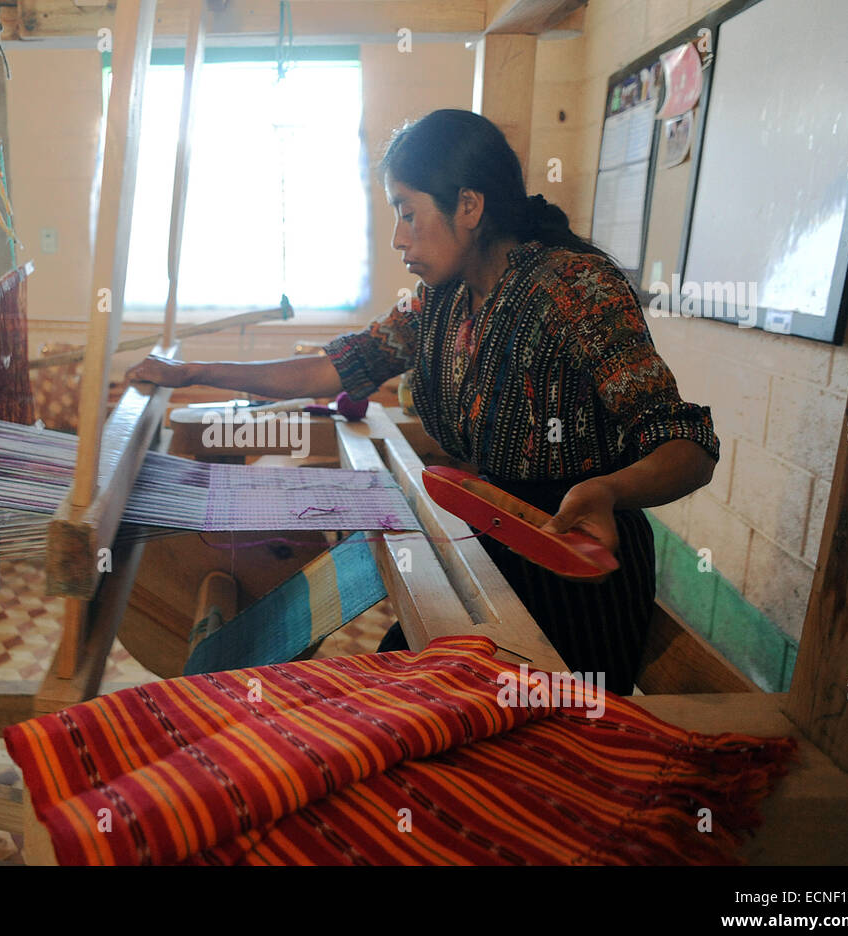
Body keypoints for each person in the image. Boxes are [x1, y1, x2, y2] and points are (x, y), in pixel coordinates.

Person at [126, 109, 719, 694]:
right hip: (489, 553)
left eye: (408, 213)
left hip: (572, 574)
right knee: (385, 700)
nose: (398, 237)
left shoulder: (575, 290)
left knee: (446, 731)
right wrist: (198, 371)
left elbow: (686, 444)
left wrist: (608, 490)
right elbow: (335, 365)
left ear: (468, 206)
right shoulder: (440, 301)